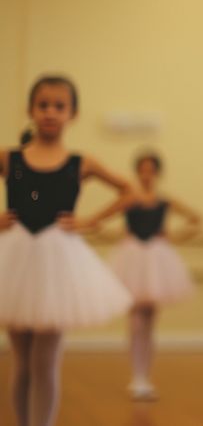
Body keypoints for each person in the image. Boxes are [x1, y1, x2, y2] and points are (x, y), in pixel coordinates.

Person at [0, 75, 133, 426]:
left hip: (58, 264)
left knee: (44, 362)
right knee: (22, 363)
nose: (50, 112)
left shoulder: (81, 162)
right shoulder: (9, 158)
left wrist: (90, 221)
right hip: (14, 260)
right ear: (30, 109)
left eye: (59, 106)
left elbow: (128, 190)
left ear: (72, 113)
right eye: (43, 105)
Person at [87, 150, 201, 400]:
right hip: (132, 258)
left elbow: (195, 219)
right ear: (137, 173)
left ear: (158, 173)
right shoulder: (128, 199)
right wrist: (115, 236)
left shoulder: (164, 201)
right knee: (136, 321)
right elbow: (97, 221)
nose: (147, 175)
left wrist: (173, 237)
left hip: (156, 259)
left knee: (149, 322)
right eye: (143, 170)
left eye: (151, 170)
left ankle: (145, 377)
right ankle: (137, 376)